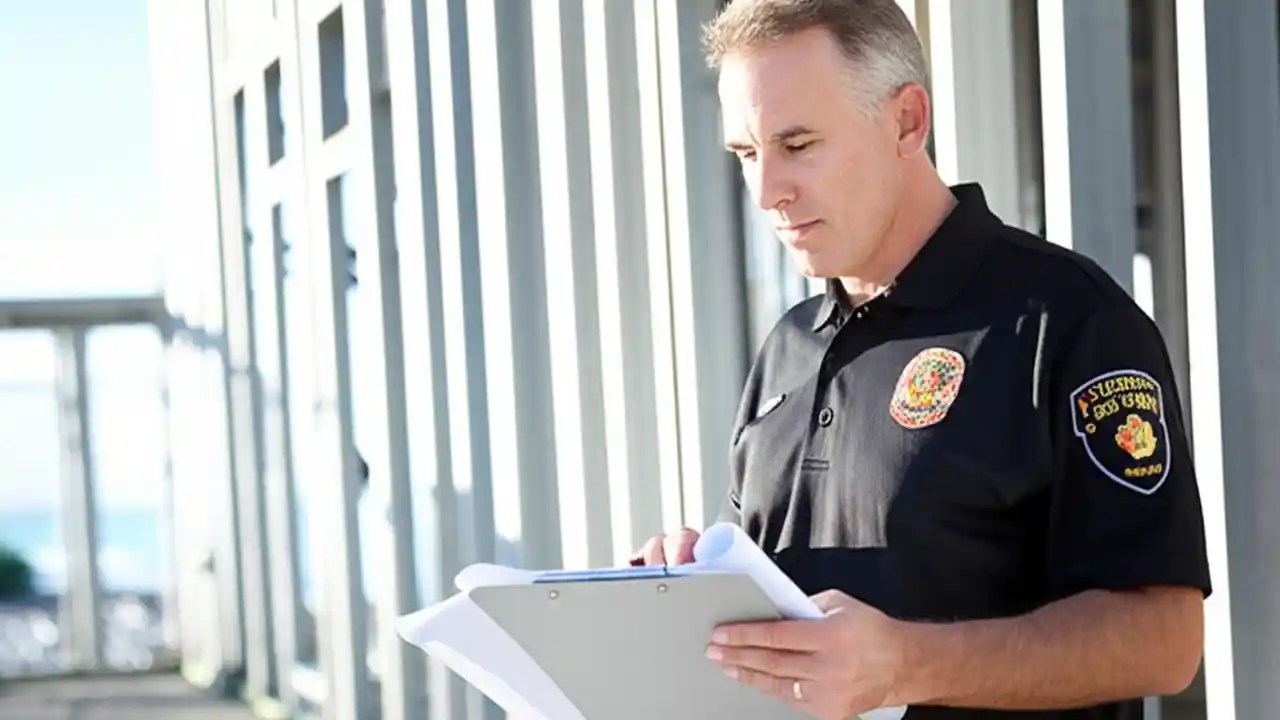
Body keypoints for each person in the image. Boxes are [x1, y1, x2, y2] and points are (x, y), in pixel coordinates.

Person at [631, 1, 1210, 718]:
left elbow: (1165, 637)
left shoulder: (1067, 320)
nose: (766, 192)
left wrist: (906, 664)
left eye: (799, 143)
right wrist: (689, 589)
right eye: (747, 154)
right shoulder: (788, 348)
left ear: (907, 121)